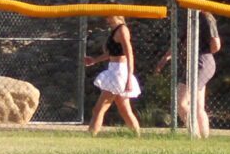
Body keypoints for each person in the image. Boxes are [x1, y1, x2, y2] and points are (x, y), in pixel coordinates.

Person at [157, 10, 221, 139]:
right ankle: (204, 140)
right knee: (198, 107)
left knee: (180, 102)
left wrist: (202, 54)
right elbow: (180, 41)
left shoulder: (206, 18)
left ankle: (195, 136)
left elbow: (216, 45)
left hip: (202, 62)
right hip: (196, 62)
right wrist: (165, 58)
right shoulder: (191, 18)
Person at [87, 11, 144, 135]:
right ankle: (137, 136)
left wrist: (129, 78)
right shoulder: (114, 30)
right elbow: (112, 53)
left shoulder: (122, 30)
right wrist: (95, 60)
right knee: (125, 110)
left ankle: (90, 136)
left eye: (108, 13)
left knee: (98, 109)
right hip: (114, 69)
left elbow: (129, 54)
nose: (105, 17)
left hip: (119, 72)